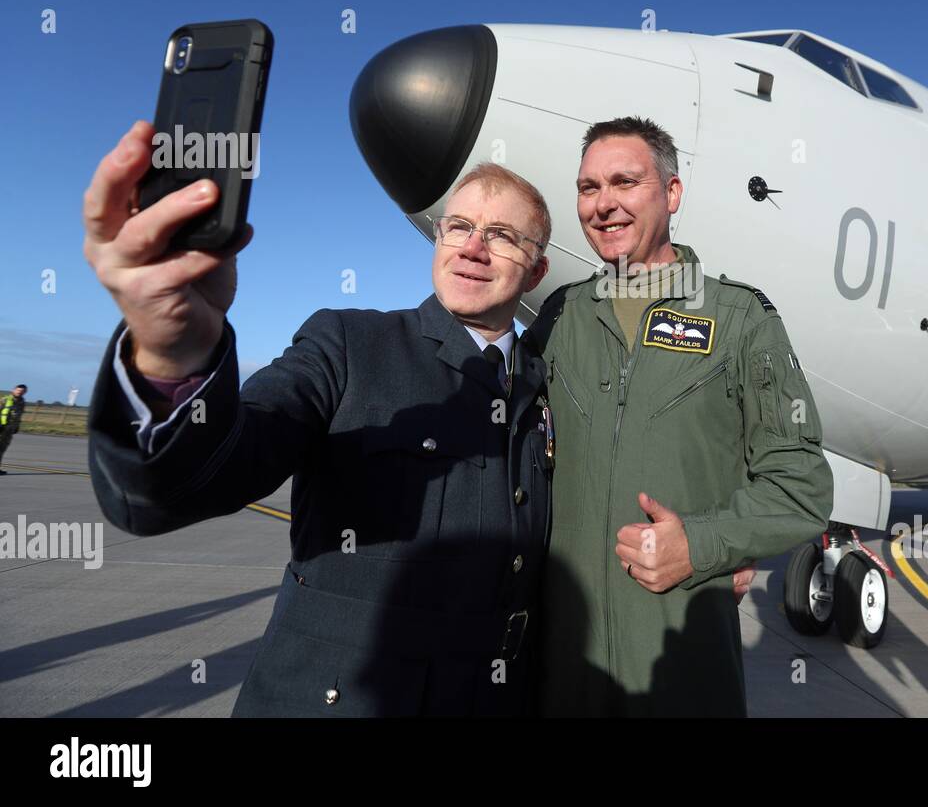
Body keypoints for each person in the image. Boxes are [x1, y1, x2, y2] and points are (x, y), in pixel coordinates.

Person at [83, 119, 554, 715]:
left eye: (502, 235)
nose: (472, 247)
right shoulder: (349, 345)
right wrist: (172, 357)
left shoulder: (541, 386)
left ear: (536, 272)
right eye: (457, 226)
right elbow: (200, 475)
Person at [526, 116, 834, 716]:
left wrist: (704, 543)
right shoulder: (559, 319)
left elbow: (801, 485)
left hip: (680, 672)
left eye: (625, 182)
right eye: (589, 188)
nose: (604, 204)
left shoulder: (742, 320)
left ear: (671, 194)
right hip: (560, 673)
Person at [0, 384, 28, 474]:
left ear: (25, 392)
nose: (19, 392)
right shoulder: (5, 400)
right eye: (18, 390)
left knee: (2, 449)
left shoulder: (22, 402)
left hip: (9, 430)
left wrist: (17, 426)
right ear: (14, 390)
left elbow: (18, 416)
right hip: (1, 427)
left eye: (22, 391)